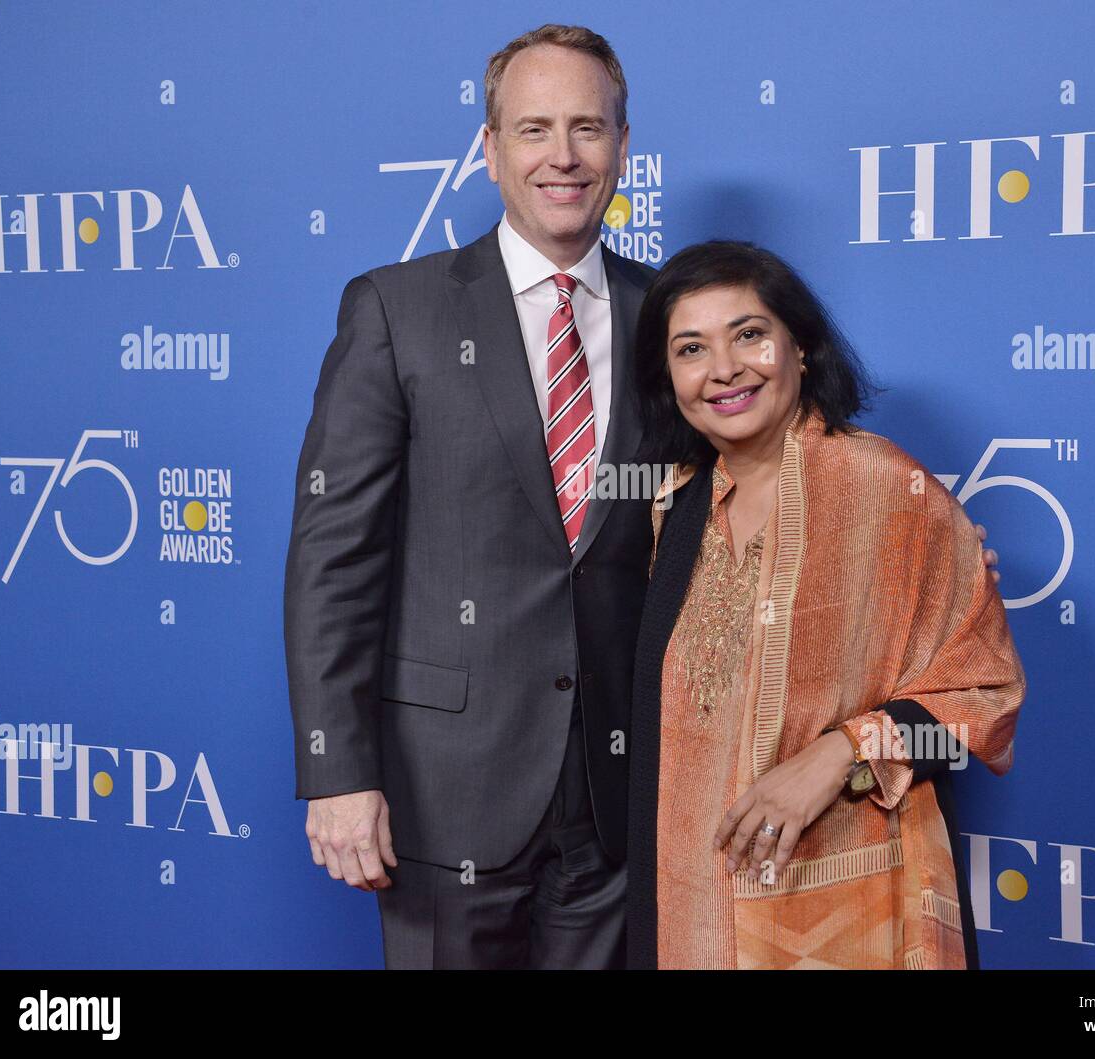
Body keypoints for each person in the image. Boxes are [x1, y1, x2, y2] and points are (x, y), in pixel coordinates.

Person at [284, 23, 999, 970]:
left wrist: (928, 550)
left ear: (624, 145)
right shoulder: (397, 310)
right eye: (533, 129)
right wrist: (339, 774)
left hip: (633, 797)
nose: (563, 155)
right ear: (490, 151)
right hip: (445, 789)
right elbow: (334, 556)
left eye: (589, 126)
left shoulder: (672, 314)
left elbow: (761, 491)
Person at [625, 240, 1026, 969]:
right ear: (669, 377)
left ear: (800, 347)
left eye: (749, 335)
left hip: (846, 905)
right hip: (690, 909)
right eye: (691, 349)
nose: (724, 369)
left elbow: (985, 703)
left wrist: (842, 755)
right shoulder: (673, 505)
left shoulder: (886, 488)